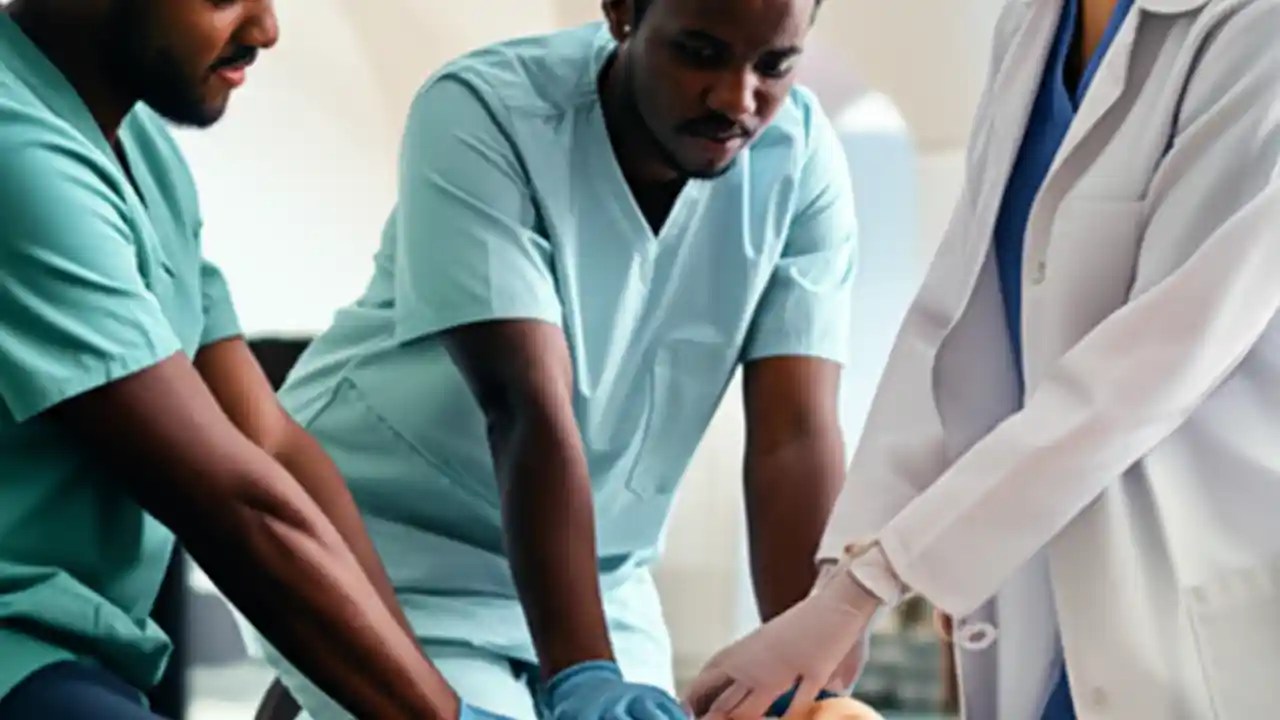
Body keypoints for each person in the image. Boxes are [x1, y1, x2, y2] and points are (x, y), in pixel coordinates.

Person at [257, 0, 852, 717]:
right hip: (391, 542)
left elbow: (795, 434)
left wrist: (810, 664)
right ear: (623, 10)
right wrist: (585, 676)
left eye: (774, 66)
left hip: (597, 567)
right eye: (699, 52)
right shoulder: (486, 112)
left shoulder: (801, 157)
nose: (736, 98)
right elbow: (524, 406)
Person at [686, 0, 1280, 717]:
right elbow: (955, 322)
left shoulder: (1258, 27)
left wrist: (872, 583)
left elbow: (1154, 361)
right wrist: (842, 579)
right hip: (1041, 588)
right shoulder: (1032, 20)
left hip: (1190, 584)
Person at [0, 1, 503, 718]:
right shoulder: (15, 153)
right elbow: (232, 505)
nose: (265, 29)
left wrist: (427, 695)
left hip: (77, 652)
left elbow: (270, 444)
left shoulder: (140, 147)